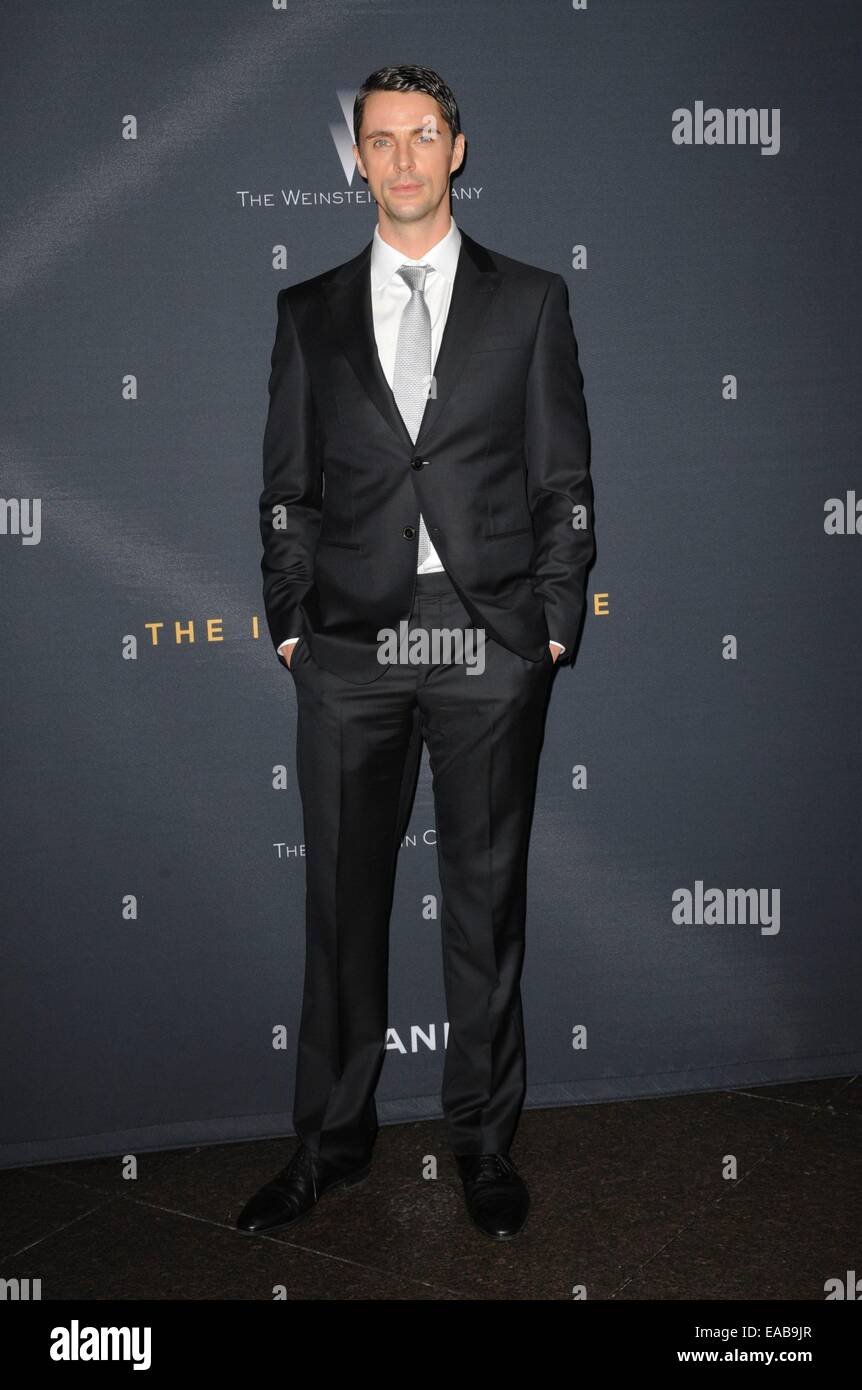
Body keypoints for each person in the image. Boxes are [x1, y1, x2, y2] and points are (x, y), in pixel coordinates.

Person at [237, 64, 594, 1241]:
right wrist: (292, 618)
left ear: (456, 149)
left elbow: (563, 482)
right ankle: (329, 1145)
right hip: (348, 646)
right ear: (358, 158)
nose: (399, 157)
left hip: (487, 641)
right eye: (377, 139)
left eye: (420, 135)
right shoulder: (309, 312)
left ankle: (485, 1146)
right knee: (340, 910)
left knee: (484, 911)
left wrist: (547, 618)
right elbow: (287, 492)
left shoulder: (530, 300)